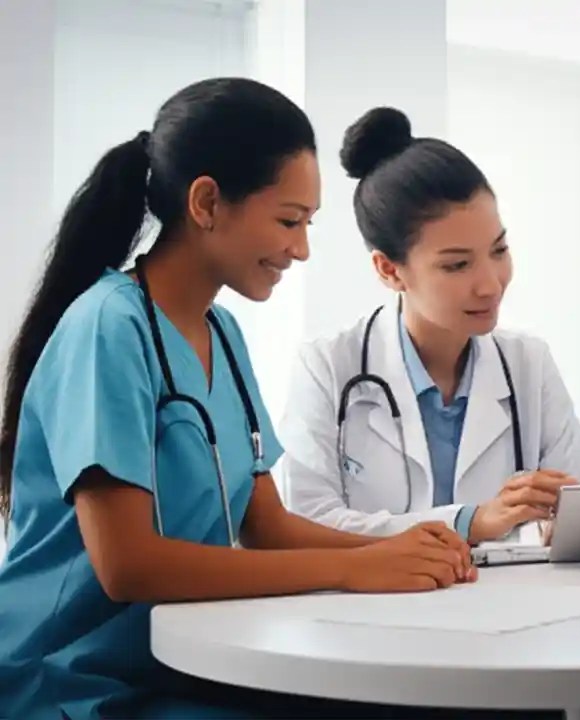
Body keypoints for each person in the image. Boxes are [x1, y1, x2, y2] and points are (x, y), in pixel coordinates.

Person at [0, 78, 479, 720]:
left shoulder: (221, 333)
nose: (300, 249)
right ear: (206, 203)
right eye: (288, 221)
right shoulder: (108, 327)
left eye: (307, 225)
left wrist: (397, 550)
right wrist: (352, 569)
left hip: (175, 665)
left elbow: (266, 525)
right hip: (70, 682)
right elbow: (128, 565)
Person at [280, 107, 580, 545]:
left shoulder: (527, 363)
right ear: (389, 270)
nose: (490, 284)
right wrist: (470, 521)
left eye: (499, 250)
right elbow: (305, 524)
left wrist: (563, 522)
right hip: (374, 592)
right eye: (457, 265)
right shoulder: (328, 365)